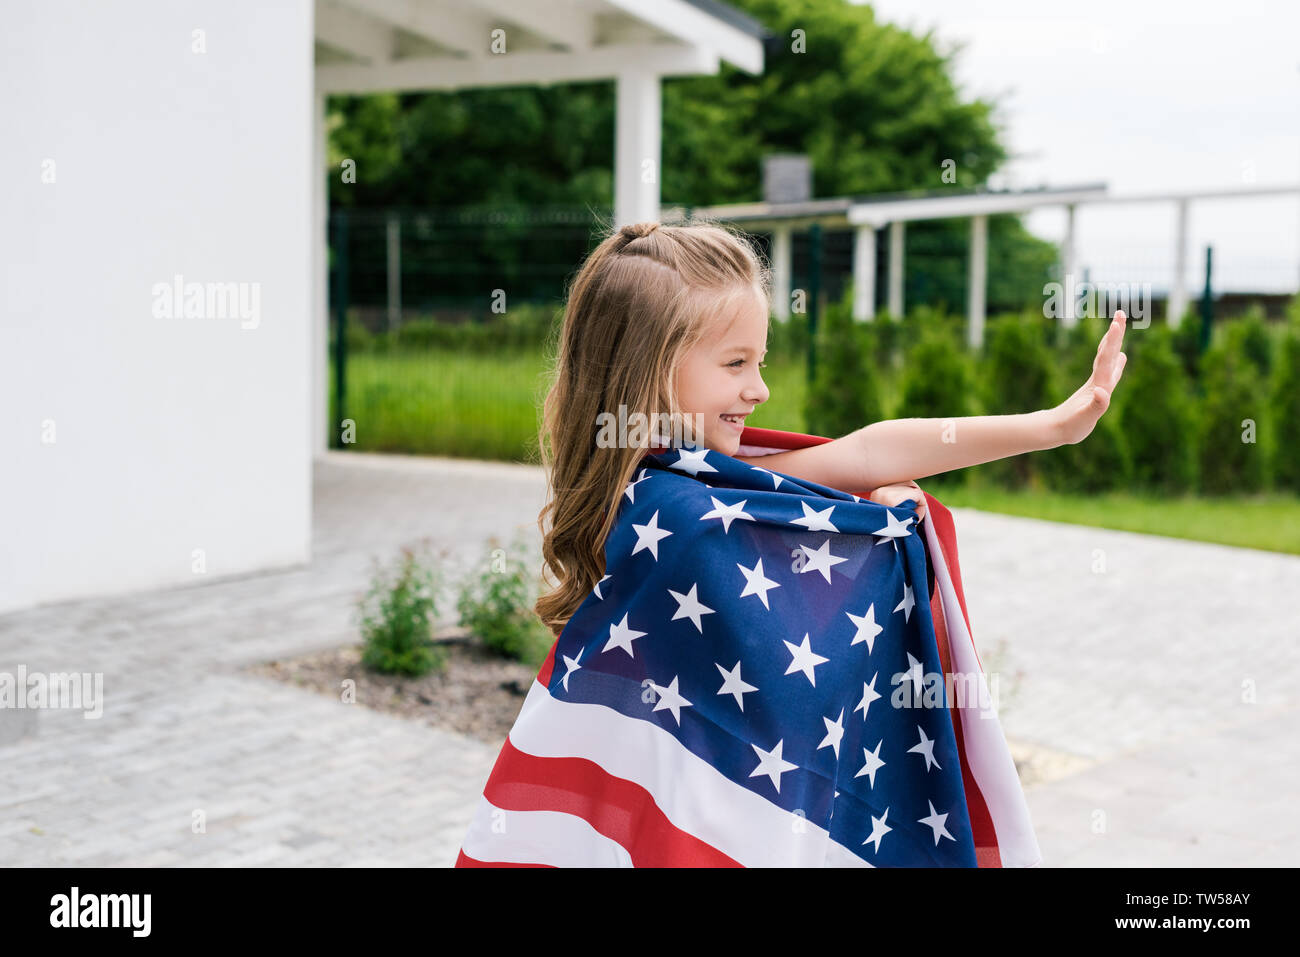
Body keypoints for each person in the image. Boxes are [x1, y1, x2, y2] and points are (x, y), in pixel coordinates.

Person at [455, 219, 1127, 867]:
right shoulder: (680, 516)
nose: (760, 387)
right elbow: (804, 638)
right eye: (736, 362)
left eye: (761, 360)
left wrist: (1050, 427)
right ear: (650, 367)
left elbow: (863, 451)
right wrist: (881, 526)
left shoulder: (688, 482)